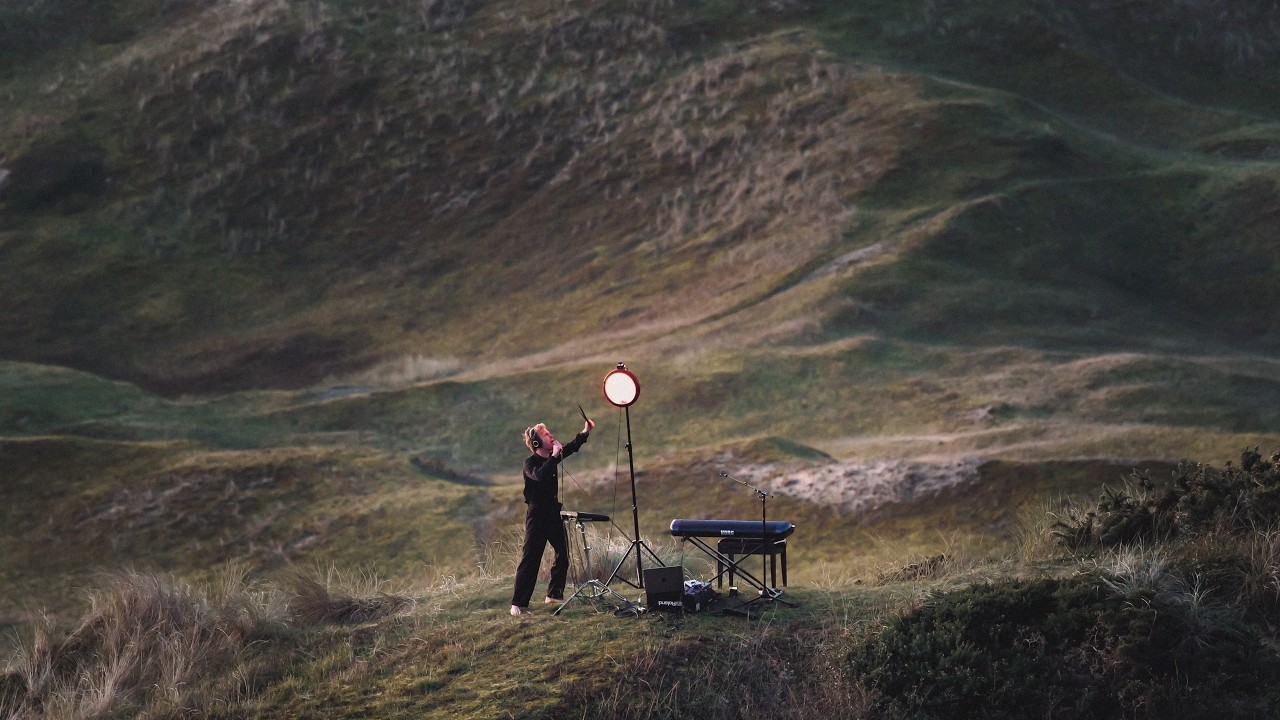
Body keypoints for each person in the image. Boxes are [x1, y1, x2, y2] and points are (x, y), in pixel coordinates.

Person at [510, 415, 595, 616]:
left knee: (563, 554)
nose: (552, 436)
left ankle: (553, 594)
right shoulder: (530, 463)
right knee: (531, 559)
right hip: (537, 517)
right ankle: (518, 604)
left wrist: (585, 432)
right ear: (538, 442)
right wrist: (555, 456)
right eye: (547, 435)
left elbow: (572, 447)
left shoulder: (552, 458)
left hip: (552, 515)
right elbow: (539, 476)